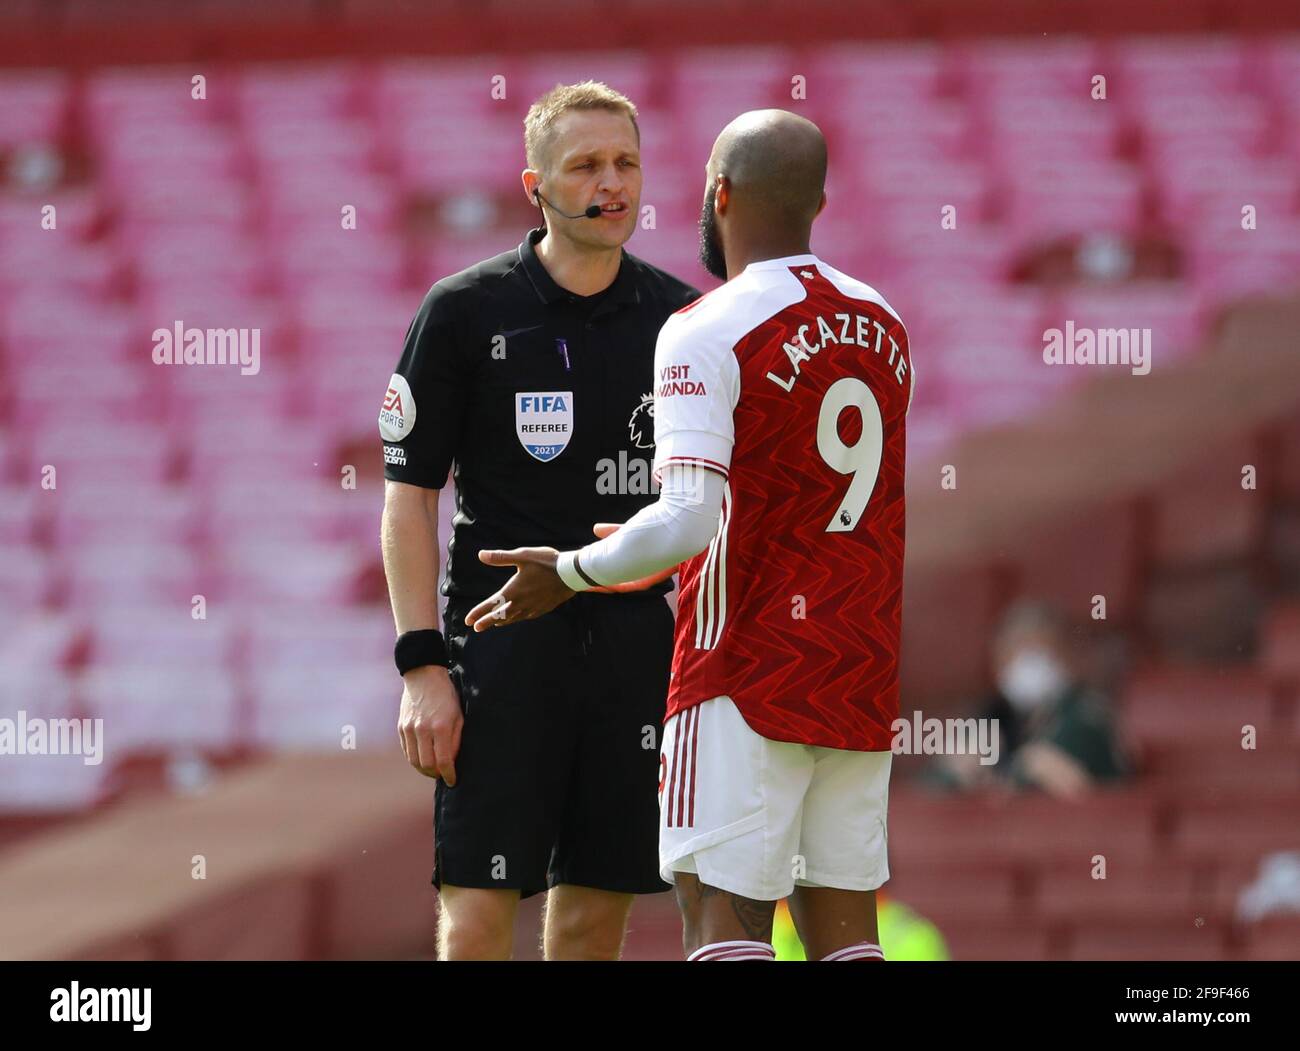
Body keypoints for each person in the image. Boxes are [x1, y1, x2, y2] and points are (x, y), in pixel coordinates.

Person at [466, 109, 913, 962]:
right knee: (848, 939)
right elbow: (794, 504)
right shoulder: (883, 321)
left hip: (743, 672)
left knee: (723, 925)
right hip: (856, 670)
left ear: (721, 193)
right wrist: (654, 554)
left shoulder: (706, 327)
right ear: (818, 202)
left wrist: (572, 569)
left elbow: (687, 515)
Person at [380, 81, 699, 960]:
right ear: (536, 186)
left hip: (635, 654)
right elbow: (409, 496)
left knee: (594, 921)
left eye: (626, 162)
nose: (612, 182)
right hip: (500, 650)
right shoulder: (463, 311)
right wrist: (421, 666)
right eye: (586, 165)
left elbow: (708, 502)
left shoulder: (683, 322)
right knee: (478, 915)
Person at [925, 601, 1131, 798]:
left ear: (1068, 658)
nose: (1026, 667)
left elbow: (1037, 776)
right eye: (1014, 654)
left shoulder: (1085, 716)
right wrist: (954, 771)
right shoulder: (994, 713)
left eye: (1038, 653)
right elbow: (931, 784)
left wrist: (1006, 773)